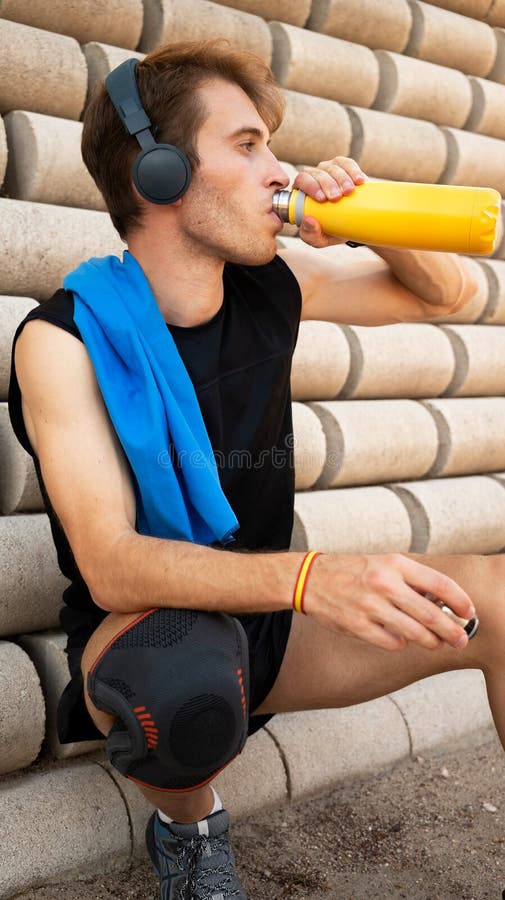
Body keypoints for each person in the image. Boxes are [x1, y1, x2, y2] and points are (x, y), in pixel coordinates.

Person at [8, 39, 503, 900]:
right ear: (157, 174)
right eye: (247, 146)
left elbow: (443, 296)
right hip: (152, 640)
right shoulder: (63, 342)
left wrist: (368, 219)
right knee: (183, 674)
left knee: (498, 599)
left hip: (272, 619)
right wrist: (316, 577)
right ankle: (191, 829)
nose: (281, 171)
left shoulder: (274, 282)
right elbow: (112, 564)